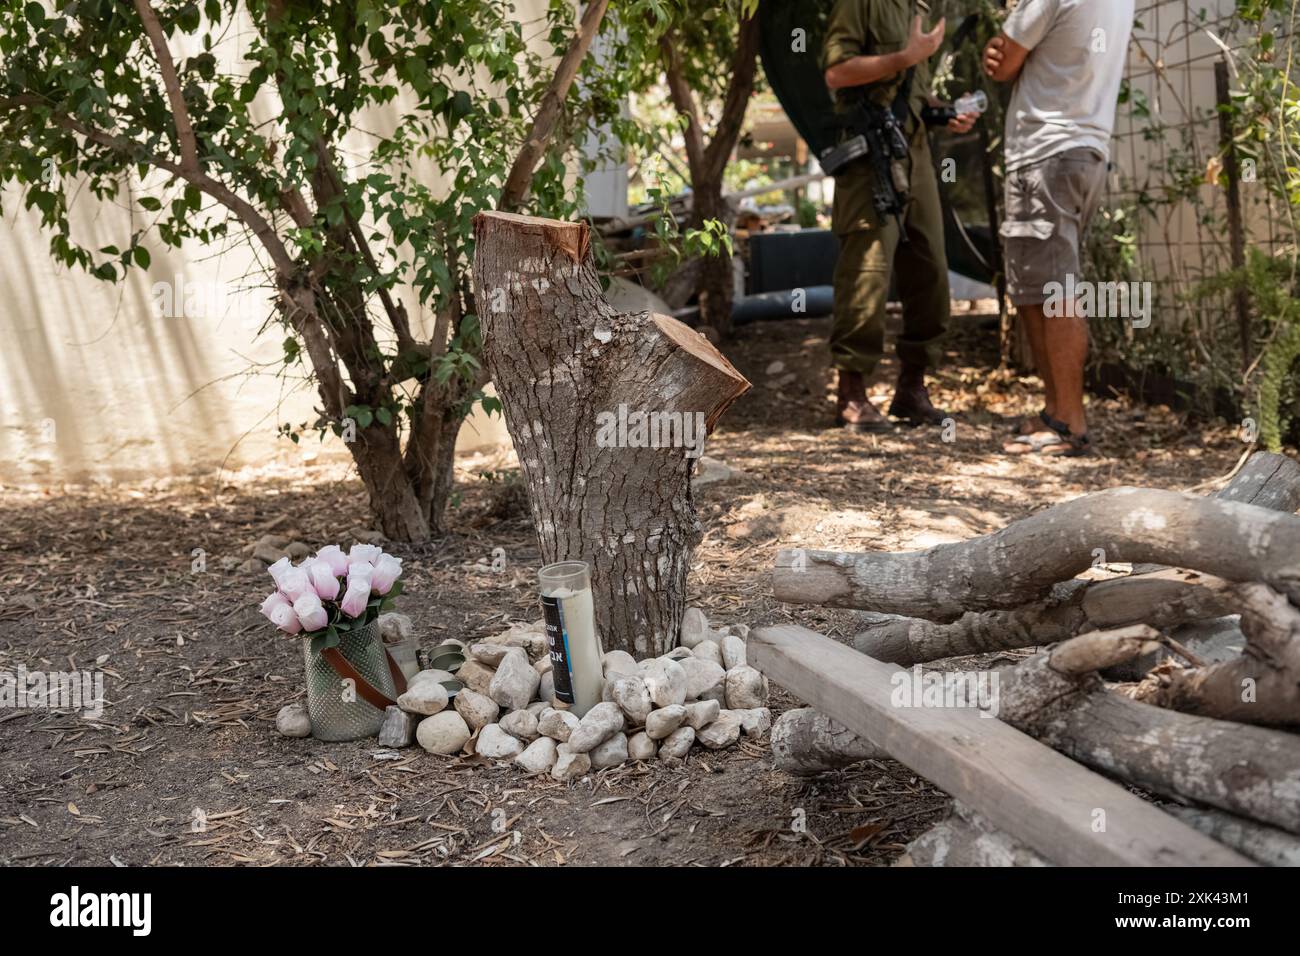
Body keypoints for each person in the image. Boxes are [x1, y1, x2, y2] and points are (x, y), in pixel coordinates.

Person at [984, 0, 1135, 456]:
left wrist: (1004, 45)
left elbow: (1001, 62)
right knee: (1037, 289)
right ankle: (1055, 413)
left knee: (1054, 292)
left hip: (1045, 154)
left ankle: (1070, 423)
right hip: (1086, 150)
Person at [822, 1, 978, 432]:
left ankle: (912, 388)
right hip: (868, 155)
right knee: (867, 269)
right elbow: (837, 72)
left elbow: (911, 94)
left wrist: (947, 112)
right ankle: (851, 393)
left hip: (916, 153)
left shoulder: (920, 7)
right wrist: (904, 57)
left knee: (930, 270)